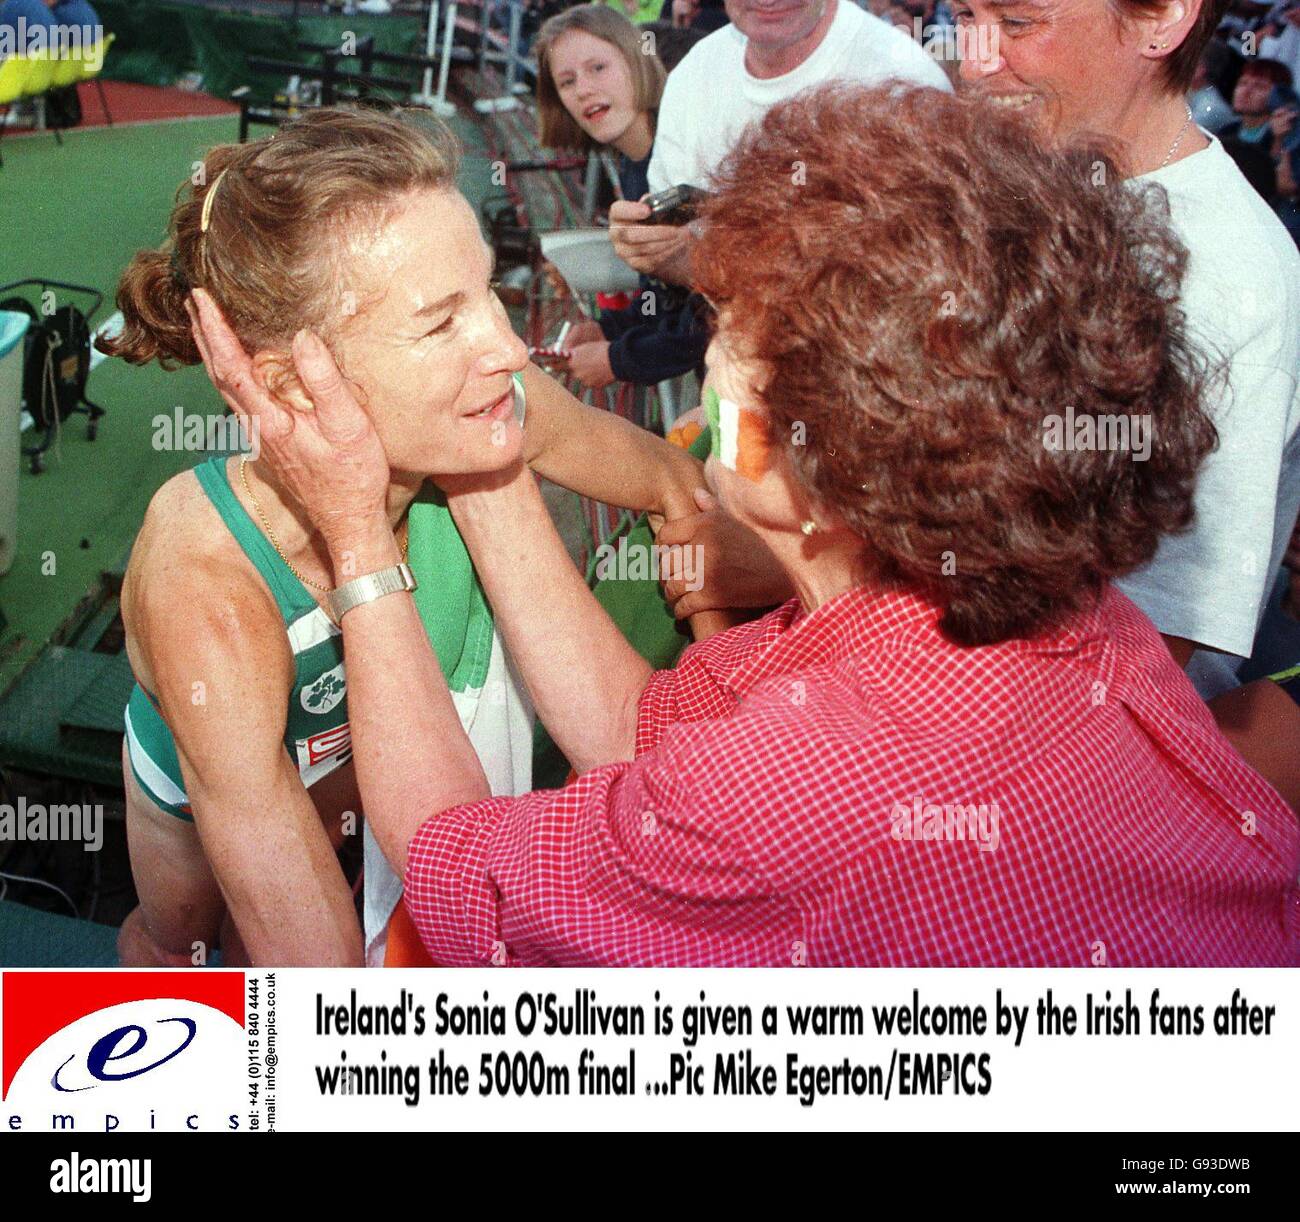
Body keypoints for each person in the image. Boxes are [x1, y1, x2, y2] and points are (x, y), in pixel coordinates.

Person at [209, 87, 1299, 967]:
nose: (707, 347)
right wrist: (490, 455)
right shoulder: (1047, 600)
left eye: (728, 329)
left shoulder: (790, 790)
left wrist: (357, 536)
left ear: (777, 456)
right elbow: (645, 734)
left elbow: (449, 862)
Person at [101, 108, 706, 968]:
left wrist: (710, 598)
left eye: (490, 293)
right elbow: (324, 983)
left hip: (350, 749)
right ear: (294, 385)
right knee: (194, 945)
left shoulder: (479, 402)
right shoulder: (207, 590)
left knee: (349, 875)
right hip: (206, 786)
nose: (506, 345)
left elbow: (672, 481)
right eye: (438, 322)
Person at [667, 0, 1300, 801]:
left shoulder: (1235, 283)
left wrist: (803, 554)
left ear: (1163, 18)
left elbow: (1138, 656)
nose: (975, 59)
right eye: (965, 16)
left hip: (1036, 779)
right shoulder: (1006, 174)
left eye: (1021, 22)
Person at [609, 0, 952, 287]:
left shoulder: (898, 79)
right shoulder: (696, 72)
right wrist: (656, 251)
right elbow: (686, 256)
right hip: (732, 349)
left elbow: (918, 272)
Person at [533, 4, 708, 391]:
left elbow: (709, 317)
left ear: (636, 62)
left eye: (598, 68)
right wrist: (607, 329)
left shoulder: (688, 158)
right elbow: (665, 298)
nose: (584, 90)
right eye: (566, 81)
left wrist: (617, 359)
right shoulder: (634, 164)